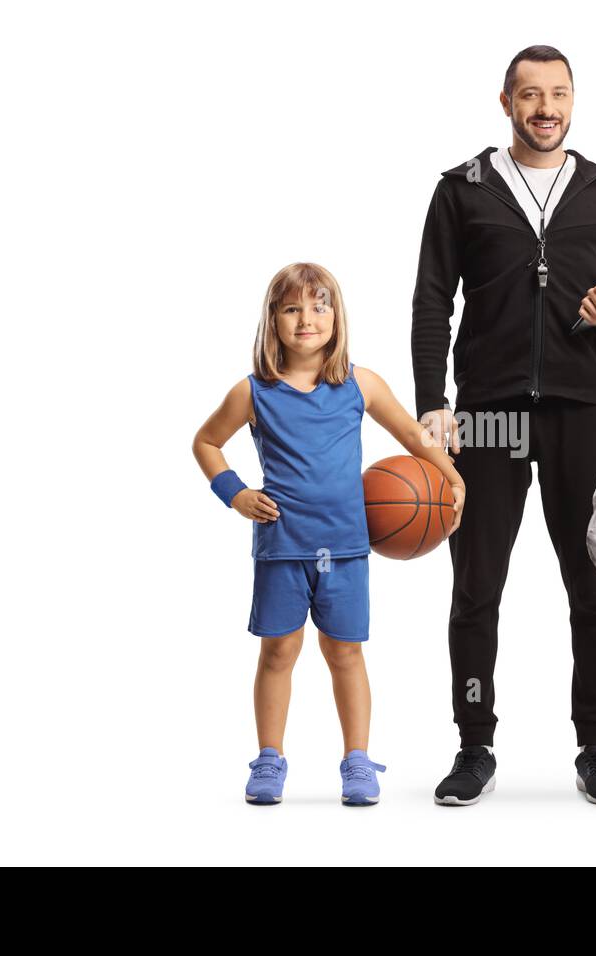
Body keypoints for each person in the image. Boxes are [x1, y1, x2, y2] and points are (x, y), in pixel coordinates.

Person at [411, 45, 596, 805]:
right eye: (530, 95)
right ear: (506, 103)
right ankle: (473, 743)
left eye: (557, 93)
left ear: (573, 100)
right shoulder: (461, 188)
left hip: (579, 411)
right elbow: (432, 300)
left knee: (593, 584)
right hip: (488, 415)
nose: (545, 107)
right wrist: (434, 399)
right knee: (476, 586)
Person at [193, 262, 465, 807]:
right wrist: (236, 493)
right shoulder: (253, 392)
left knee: (345, 653)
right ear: (272, 319)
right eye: (292, 308)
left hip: (345, 547)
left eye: (320, 306)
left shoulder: (360, 383)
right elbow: (205, 442)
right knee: (278, 652)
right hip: (281, 545)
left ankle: (357, 762)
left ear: (337, 317)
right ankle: (269, 759)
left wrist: (451, 474)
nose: (306, 319)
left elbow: (413, 433)